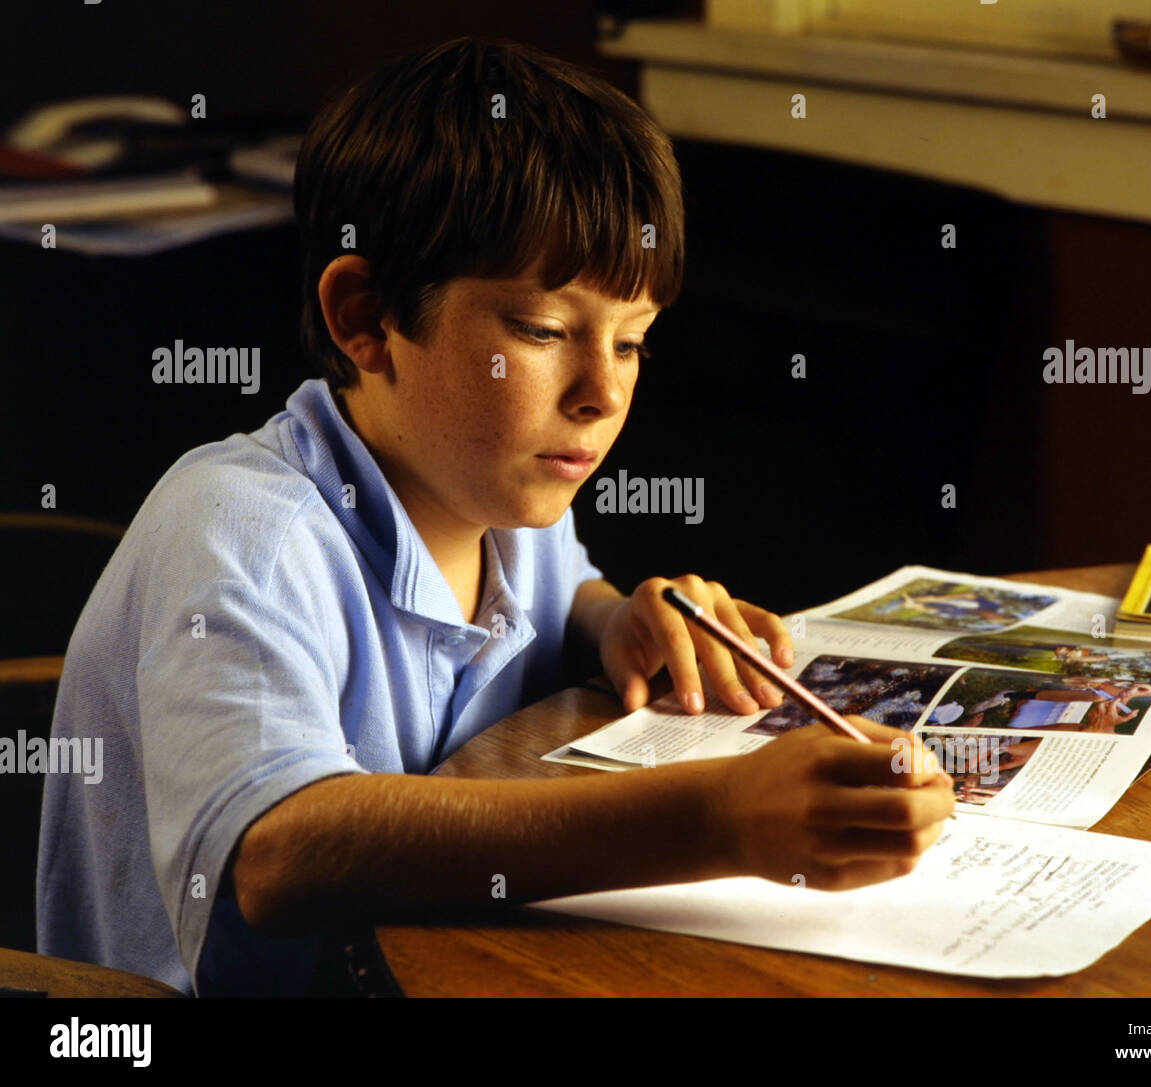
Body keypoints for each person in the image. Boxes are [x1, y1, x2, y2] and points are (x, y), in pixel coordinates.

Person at [37, 38, 954, 996]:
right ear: (365, 316)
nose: (602, 392)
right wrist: (712, 817)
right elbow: (279, 847)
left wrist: (620, 618)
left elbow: (564, 597)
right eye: (544, 331)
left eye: (633, 341)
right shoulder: (243, 531)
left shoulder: (502, 490)